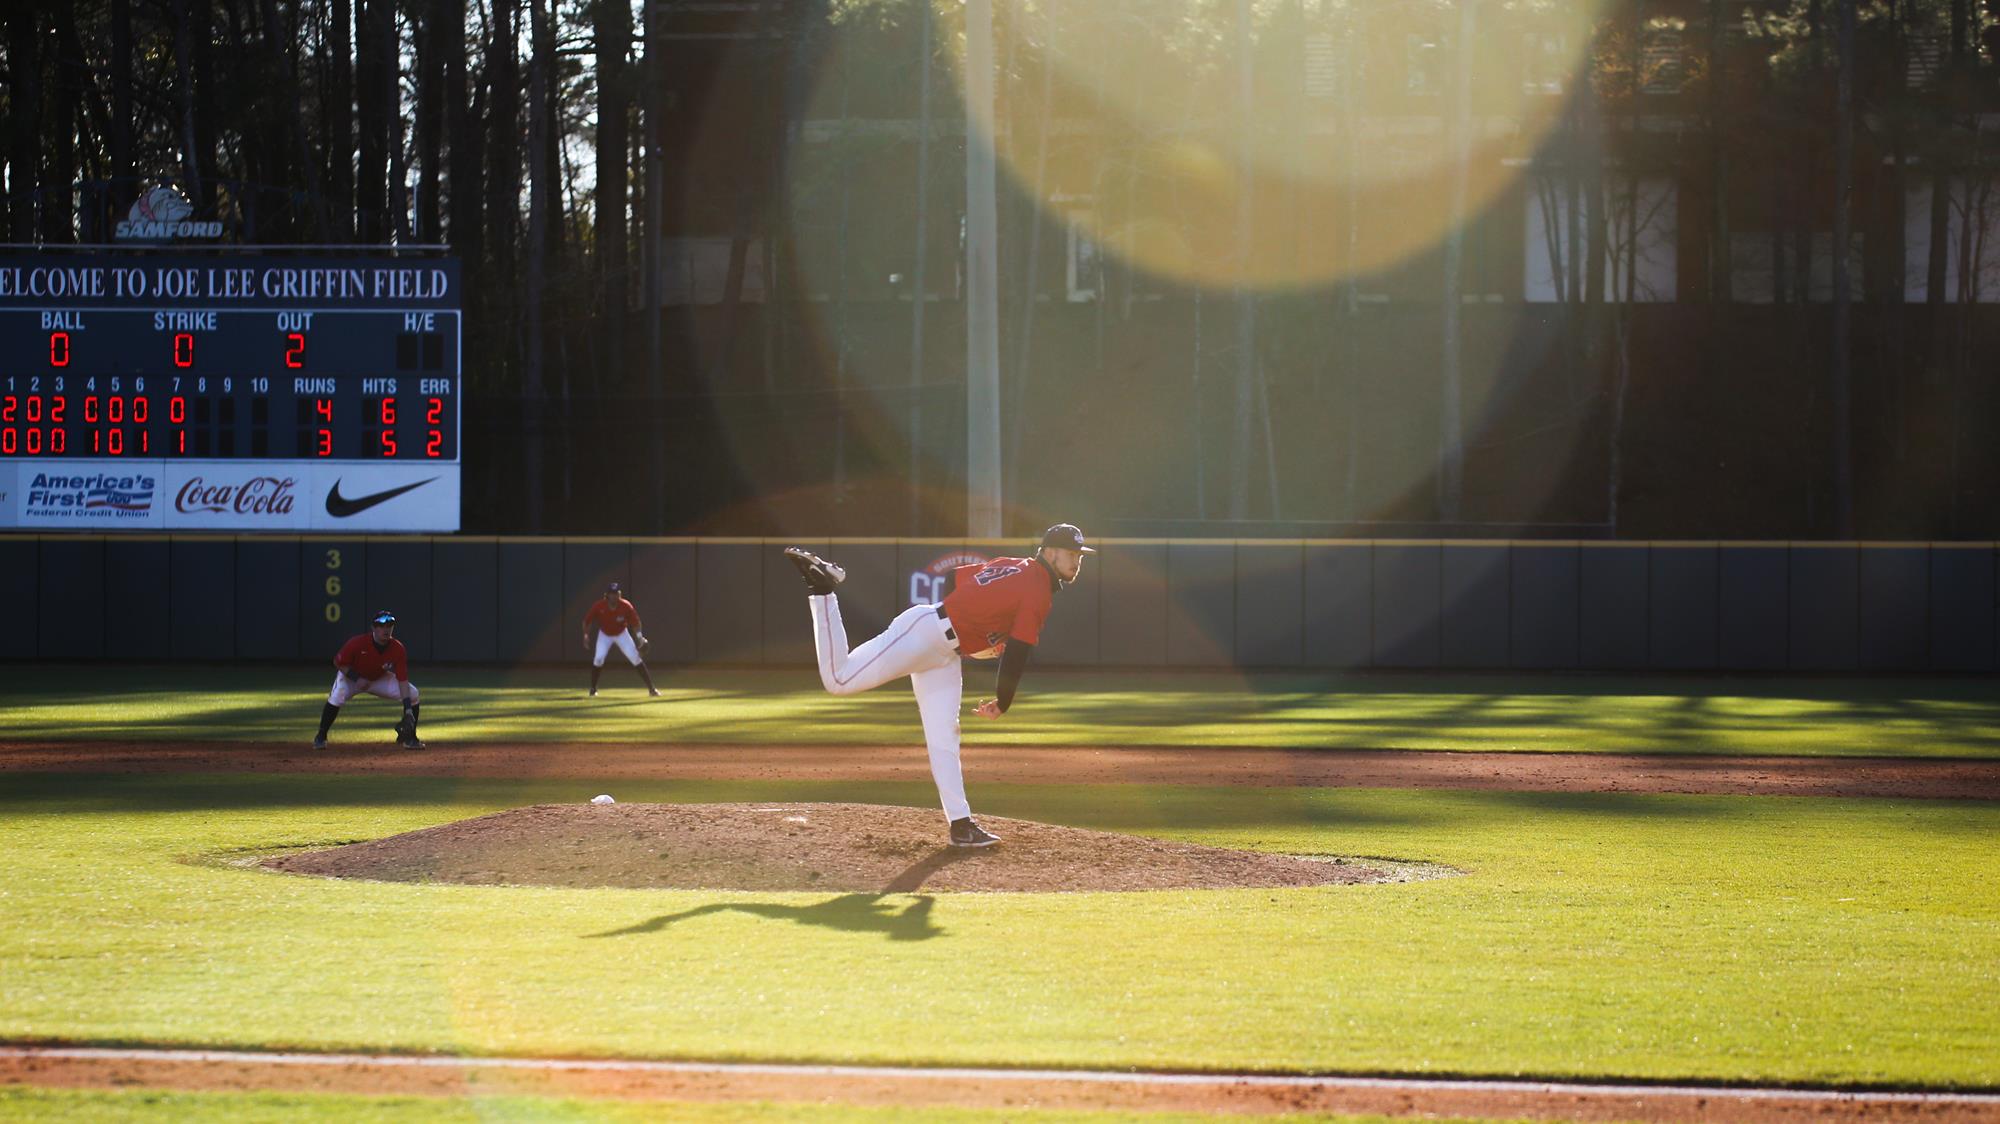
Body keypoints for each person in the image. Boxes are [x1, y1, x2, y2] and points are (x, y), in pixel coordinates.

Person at [784, 523, 1096, 847]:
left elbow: (954, 578)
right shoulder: (1037, 589)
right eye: (1071, 553)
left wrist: (968, 623)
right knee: (838, 679)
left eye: (1079, 555)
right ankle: (823, 589)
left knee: (945, 738)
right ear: (1049, 552)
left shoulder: (1014, 565)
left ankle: (961, 825)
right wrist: (1003, 701)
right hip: (925, 633)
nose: (1076, 561)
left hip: (945, 652)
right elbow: (1017, 651)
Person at [313, 609, 424, 750]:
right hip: (352, 678)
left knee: (412, 693)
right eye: (381, 626)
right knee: (337, 696)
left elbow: (402, 680)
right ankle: (321, 736)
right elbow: (338, 662)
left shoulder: (397, 648)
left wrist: (408, 709)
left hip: (378, 678)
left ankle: (411, 738)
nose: (386, 630)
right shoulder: (357, 643)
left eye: (389, 626)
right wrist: (356, 678)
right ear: (373, 628)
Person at [582, 581, 660, 697]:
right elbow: (587, 621)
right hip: (605, 635)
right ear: (607, 595)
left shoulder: (625, 606)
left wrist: (639, 637)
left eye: (616, 593)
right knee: (598, 659)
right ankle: (593, 689)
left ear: (619, 594)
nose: (614, 596)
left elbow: (636, 623)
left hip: (621, 634)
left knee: (635, 658)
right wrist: (586, 635)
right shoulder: (599, 606)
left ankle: (652, 689)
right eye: (611, 593)